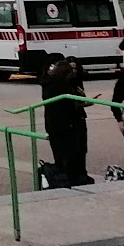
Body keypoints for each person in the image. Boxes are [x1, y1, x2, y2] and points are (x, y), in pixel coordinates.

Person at [41, 55, 92, 186]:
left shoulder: (49, 83)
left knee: (64, 156)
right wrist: (83, 104)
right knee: (69, 156)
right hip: (65, 127)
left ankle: (68, 179)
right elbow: (68, 106)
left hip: (55, 126)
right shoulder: (61, 87)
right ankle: (70, 180)